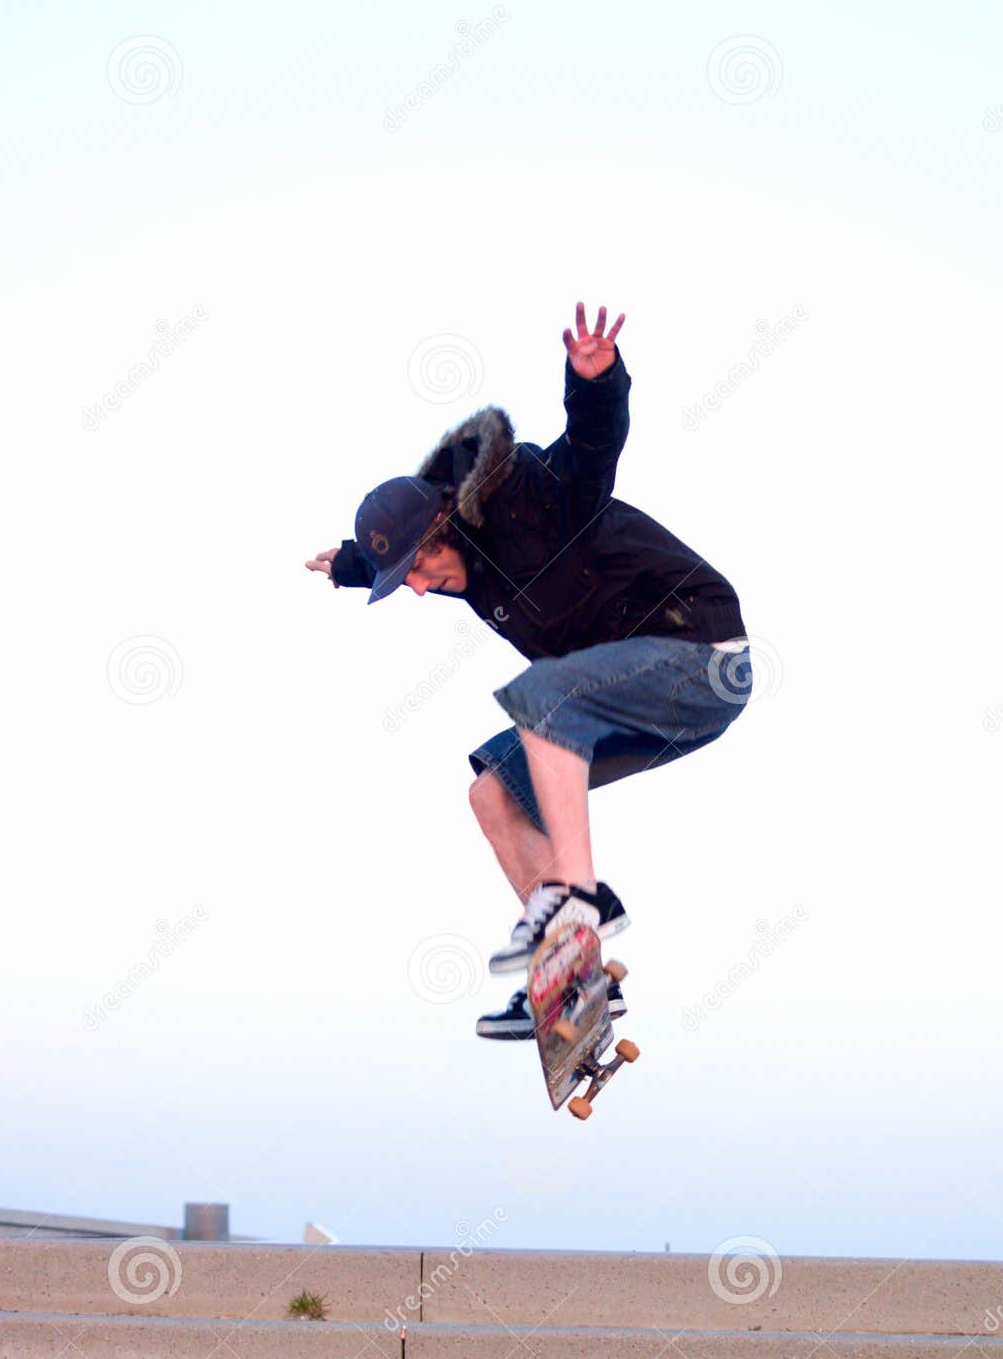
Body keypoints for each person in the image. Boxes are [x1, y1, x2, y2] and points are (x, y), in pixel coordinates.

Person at [306, 303, 752, 1039]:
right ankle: (572, 978)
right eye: (405, 579)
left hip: (702, 655)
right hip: (632, 703)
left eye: (418, 567)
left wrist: (596, 383)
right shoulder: (465, 571)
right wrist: (356, 566)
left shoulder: (532, 498)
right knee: (492, 791)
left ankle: (579, 899)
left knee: (542, 694)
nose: (419, 589)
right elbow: (402, 555)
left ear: (446, 526)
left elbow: (593, 447)